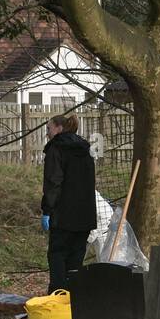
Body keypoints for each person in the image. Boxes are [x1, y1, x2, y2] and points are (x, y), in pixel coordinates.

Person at [41, 113, 96, 293]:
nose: (47, 133)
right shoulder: (85, 149)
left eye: (49, 129)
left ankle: (58, 297)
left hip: (63, 215)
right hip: (85, 215)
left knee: (57, 255)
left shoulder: (56, 149)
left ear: (59, 128)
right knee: (76, 259)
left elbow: (53, 182)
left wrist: (47, 210)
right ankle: (75, 299)